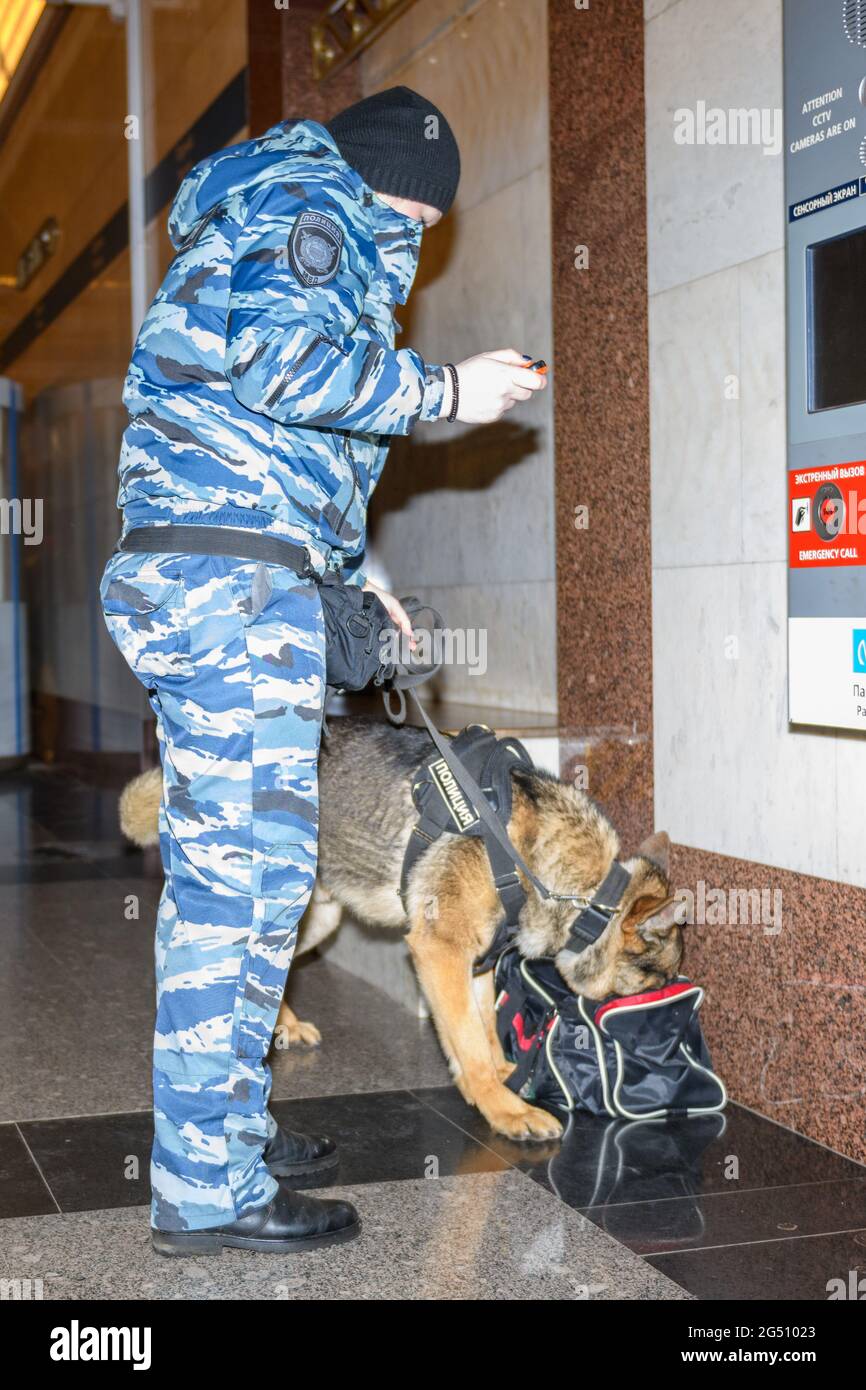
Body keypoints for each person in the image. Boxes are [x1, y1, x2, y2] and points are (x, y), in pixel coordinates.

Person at [100, 86, 547, 1257]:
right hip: (227, 588)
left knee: (255, 874)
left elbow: (291, 444)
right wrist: (446, 390)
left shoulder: (289, 206)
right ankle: (205, 1186)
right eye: (406, 214)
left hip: (243, 575)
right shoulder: (308, 202)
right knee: (240, 884)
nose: (407, 237)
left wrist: (358, 579)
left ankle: (226, 1130)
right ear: (384, 182)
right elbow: (281, 366)